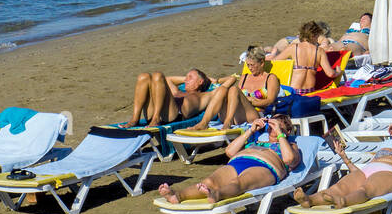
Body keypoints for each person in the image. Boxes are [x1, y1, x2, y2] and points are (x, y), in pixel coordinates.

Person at [158, 114, 300, 205]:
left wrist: (281, 135)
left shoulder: (291, 146)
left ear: (287, 131)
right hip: (238, 162)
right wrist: (251, 130)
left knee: (239, 183)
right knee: (209, 182)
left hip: (265, 168)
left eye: (278, 127)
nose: (272, 130)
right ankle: (178, 195)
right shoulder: (258, 141)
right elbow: (230, 151)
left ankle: (217, 194)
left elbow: (289, 160)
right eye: (271, 126)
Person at [293, 114, 392, 209]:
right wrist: (344, 157)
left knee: (366, 189)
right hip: (366, 171)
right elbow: (360, 172)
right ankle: (309, 200)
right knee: (339, 187)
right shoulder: (385, 148)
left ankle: (344, 201)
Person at [186, 46, 282, 130]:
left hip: (255, 114)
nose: (250, 68)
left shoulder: (270, 78)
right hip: (236, 114)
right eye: (247, 65)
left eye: (252, 65)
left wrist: (253, 101)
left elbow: (270, 101)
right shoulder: (244, 77)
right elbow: (236, 98)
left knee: (234, 89)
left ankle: (228, 122)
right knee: (222, 89)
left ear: (261, 63)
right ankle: (204, 123)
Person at [127, 67, 215, 127]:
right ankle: (135, 118)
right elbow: (167, 79)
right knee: (144, 76)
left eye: (190, 77)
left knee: (158, 75)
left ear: (200, 81)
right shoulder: (177, 91)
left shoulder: (204, 96)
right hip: (157, 115)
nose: (185, 80)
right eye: (186, 77)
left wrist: (216, 80)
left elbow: (223, 89)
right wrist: (186, 79)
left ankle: (156, 118)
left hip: (174, 117)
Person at [274, 20, 338, 92]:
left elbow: (275, 62)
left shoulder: (293, 47)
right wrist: (338, 72)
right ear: (314, 35)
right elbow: (330, 73)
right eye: (317, 36)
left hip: (293, 90)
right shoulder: (320, 51)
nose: (317, 39)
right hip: (309, 90)